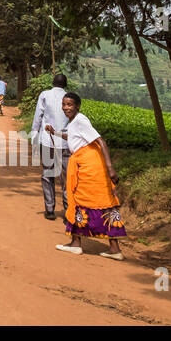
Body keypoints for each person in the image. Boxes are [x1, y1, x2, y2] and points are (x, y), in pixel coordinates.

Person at [48, 93, 125, 259]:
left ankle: (77, 244)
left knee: (78, 200)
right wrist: (55, 133)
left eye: (70, 105)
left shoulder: (81, 119)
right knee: (101, 202)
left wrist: (110, 168)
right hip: (86, 164)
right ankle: (114, 248)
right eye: (64, 104)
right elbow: (75, 138)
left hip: (90, 167)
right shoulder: (74, 122)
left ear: (77, 106)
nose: (66, 108)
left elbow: (100, 142)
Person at [30, 72, 69, 220]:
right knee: (66, 177)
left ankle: (50, 209)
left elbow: (38, 116)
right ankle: (68, 212)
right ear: (65, 85)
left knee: (48, 173)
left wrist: (34, 135)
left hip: (47, 140)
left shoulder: (45, 95)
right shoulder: (69, 97)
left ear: (53, 83)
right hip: (65, 141)